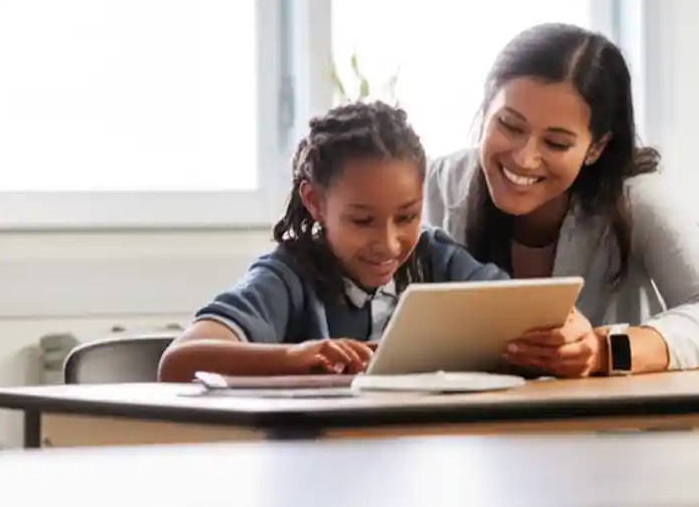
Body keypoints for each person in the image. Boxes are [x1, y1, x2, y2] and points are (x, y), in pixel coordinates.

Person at [425, 23, 699, 378]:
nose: (525, 158)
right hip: (470, 426)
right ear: (486, 110)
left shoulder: (635, 198)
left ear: (595, 149)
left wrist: (607, 350)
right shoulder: (435, 187)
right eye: (510, 126)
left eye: (556, 143)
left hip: (609, 427)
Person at [158, 101, 506, 383]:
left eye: (406, 217)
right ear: (315, 203)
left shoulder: (434, 258)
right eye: (361, 220)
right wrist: (295, 357)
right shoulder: (287, 277)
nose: (388, 244)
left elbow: (527, 310)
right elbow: (179, 361)